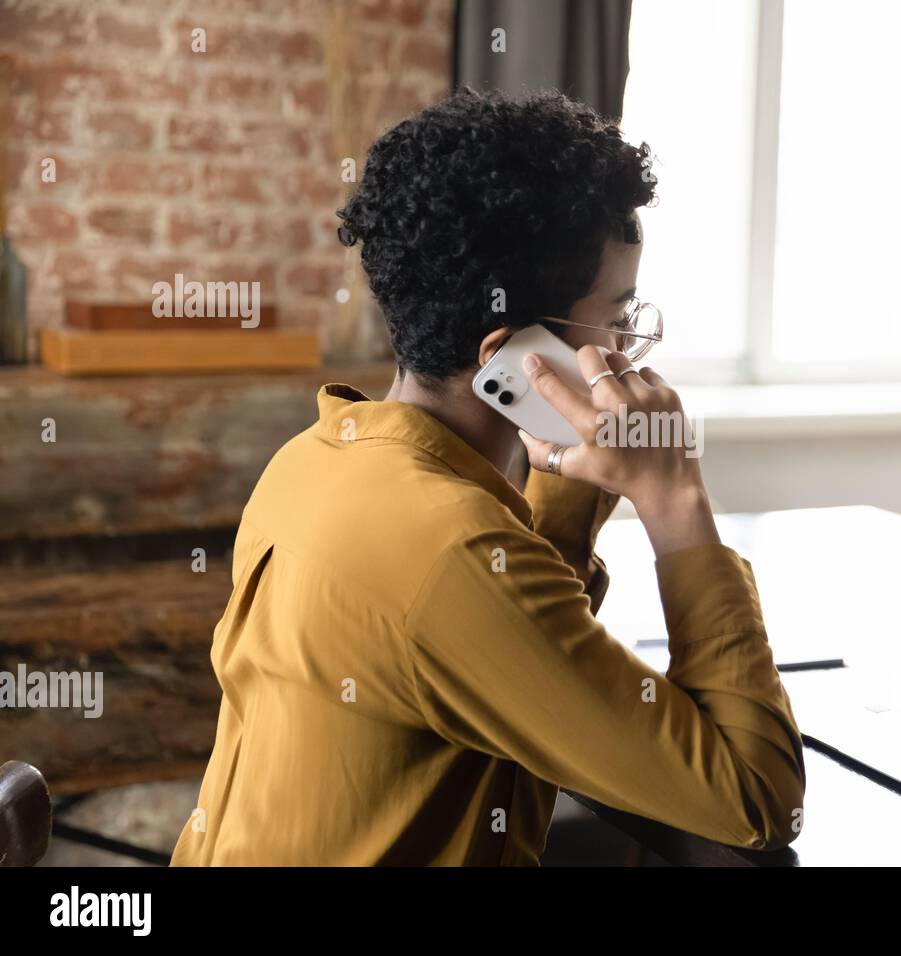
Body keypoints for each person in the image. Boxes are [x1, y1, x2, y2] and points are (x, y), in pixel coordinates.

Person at [171, 89, 805, 866]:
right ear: (508, 353)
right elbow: (754, 798)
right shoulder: (455, 554)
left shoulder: (316, 457)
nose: (629, 348)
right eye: (616, 317)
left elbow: (520, 652)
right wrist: (675, 498)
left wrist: (568, 476)